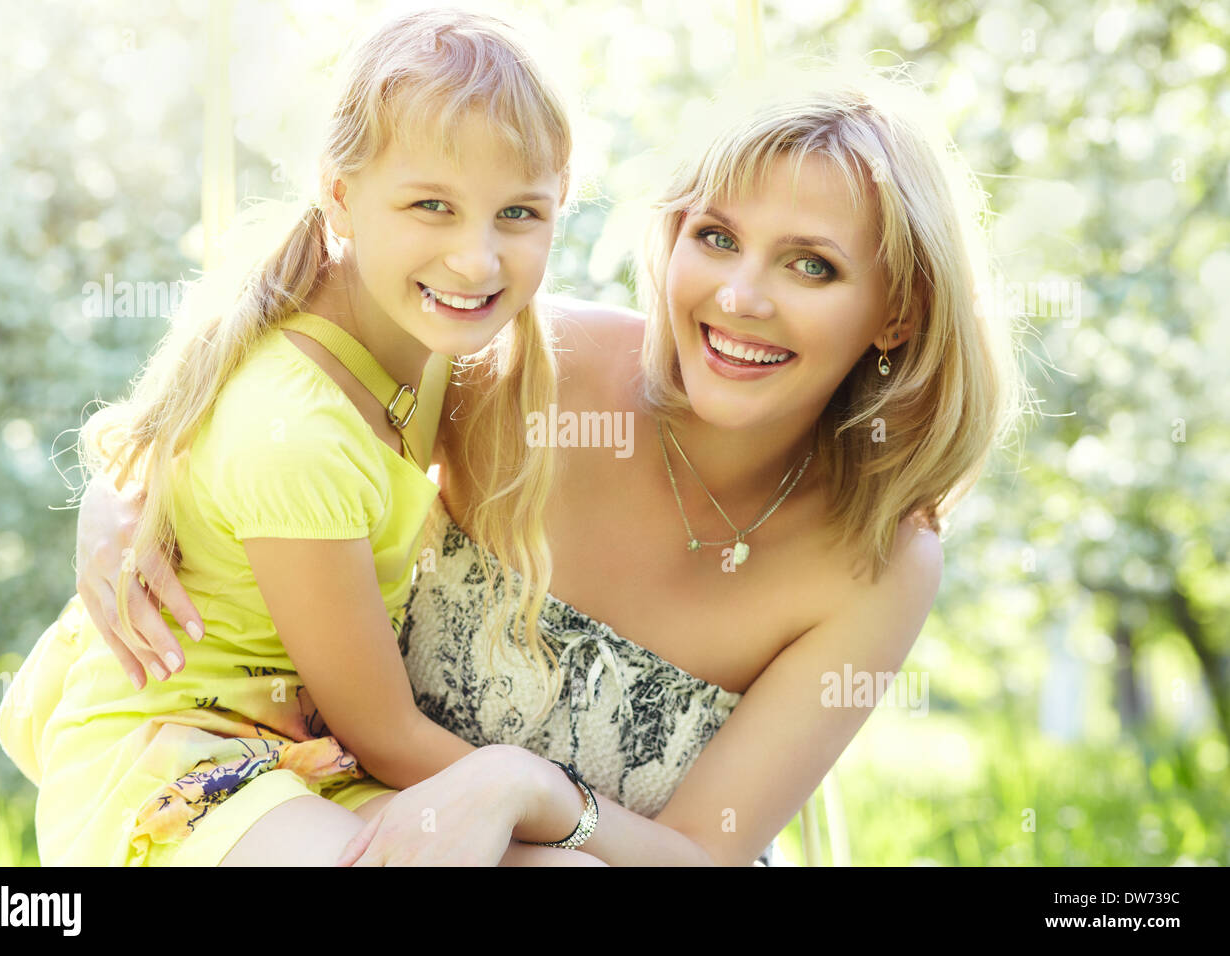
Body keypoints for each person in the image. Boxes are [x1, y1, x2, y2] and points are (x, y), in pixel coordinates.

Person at [67, 64, 1028, 866]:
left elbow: (703, 851)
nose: (741, 296)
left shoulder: (879, 560)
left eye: (810, 265)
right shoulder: (529, 367)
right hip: (323, 812)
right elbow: (284, 396)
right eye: (717, 237)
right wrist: (128, 485)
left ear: (897, 312)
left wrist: (528, 788)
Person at [0, 9, 603, 867]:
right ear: (342, 195)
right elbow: (389, 734)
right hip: (181, 754)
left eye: (517, 213)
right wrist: (615, 828)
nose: (476, 259)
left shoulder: (432, 329)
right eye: (432, 205)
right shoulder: (296, 428)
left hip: (320, 760)